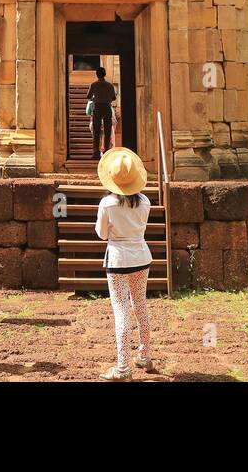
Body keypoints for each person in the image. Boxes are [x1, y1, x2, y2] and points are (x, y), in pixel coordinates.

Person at [94, 146, 156, 381]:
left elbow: (102, 234)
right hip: (141, 256)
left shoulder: (107, 203)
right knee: (140, 305)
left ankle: (122, 367)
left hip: (118, 259)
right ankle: (145, 355)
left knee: (121, 310)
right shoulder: (145, 202)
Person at [86, 66, 118, 156]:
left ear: (97, 75)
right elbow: (114, 97)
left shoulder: (94, 85)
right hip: (107, 107)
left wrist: (95, 97)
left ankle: (96, 151)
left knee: (96, 130)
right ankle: (106, 150)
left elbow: (88, 96)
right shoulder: (109, 85)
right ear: (105, 74)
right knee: (107, 130)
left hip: (97, 107)